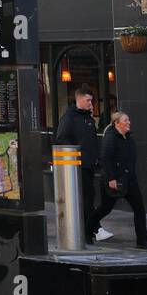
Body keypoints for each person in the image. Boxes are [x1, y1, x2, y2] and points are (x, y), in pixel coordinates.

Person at [54, 84, 110, 243]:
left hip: (89, 164)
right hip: (78, 165)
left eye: (91, 101)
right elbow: (62, 138)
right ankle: (96, 229)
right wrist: (78, 155)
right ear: (79, 99)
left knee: (88, 198)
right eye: (88, 100)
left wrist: (95, 157)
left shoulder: (88, 118)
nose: (91, 104)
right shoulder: (69, 118)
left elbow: (91, 141)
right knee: (87, 197)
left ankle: (88, 233)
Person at [92, 111, 147, 249]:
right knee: (105, 208)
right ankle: (87, 229)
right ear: (116, 123)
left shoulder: (129, 138)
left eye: (129, 120)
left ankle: (142, 240)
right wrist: (111, 178)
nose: (129, 122)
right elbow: (106, 159)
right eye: (125, 120)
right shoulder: (110, 138)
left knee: (139, 208)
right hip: (114, 179)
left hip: (129, 179)